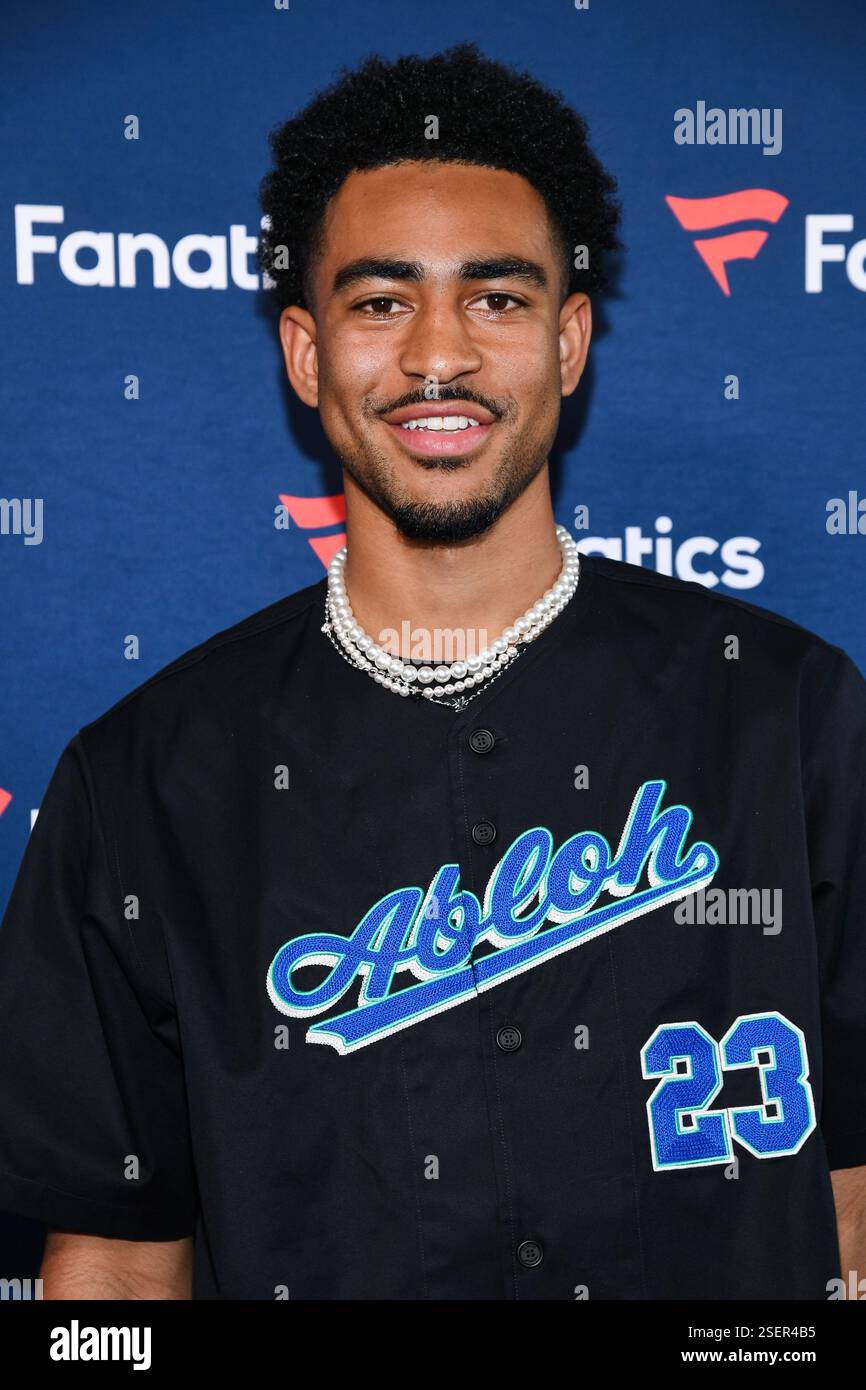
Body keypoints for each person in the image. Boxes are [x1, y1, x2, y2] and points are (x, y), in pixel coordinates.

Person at [1, 41, 864, 1301]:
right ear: (306, 355)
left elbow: (851, 1202)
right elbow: (113, 1275)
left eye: (497, 298)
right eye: (381, 300)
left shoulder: (785, 713)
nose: (439, 356)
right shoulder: (145, 782)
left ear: (569, 342)